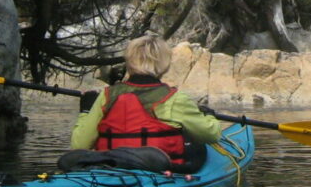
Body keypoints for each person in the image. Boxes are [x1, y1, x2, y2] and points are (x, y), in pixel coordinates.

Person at [69, 34, 224, 172]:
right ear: (164, 64)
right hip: (161, 172)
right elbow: (212, 135)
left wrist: (85, 111)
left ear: (129, 61)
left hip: (110, 168)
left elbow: (79, 145)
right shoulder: (175, 98)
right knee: (195, 144)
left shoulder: (107, 95)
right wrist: (209, 116)